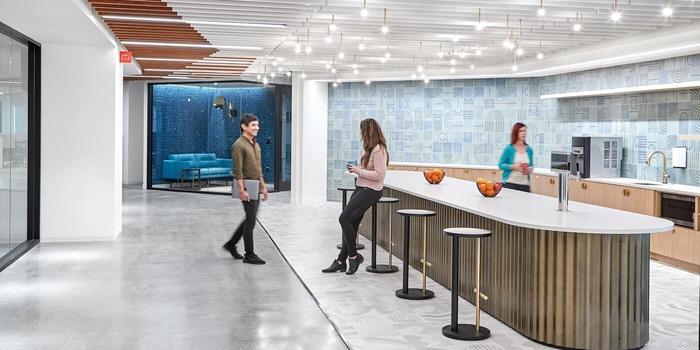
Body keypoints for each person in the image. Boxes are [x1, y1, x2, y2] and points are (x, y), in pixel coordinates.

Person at [323, 118, 389, 275]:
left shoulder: (379, 150)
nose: (360, 134)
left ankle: (354, 256)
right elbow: (368, 170)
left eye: (362, 131)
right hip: (361, 188)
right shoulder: (369, 149)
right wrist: (357, 168)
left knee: (344, 219)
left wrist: (358, 171)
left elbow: (380, 175)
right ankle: (340, 261)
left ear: (368, 132)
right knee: (350, 224)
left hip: (371, 191)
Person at [223, 114, 269, 265]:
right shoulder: (238, 145)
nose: (257, 128)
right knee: (250, 221)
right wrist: (242, 190)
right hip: (246, 186)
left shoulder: (255, 144)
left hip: (255, 185)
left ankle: (231, 244)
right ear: (244, 126)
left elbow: (258, 167)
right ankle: (249, 254)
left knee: (250, 219)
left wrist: (263, 186)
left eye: (257, 125)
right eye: (253, 125)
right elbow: (238, 170)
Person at [498, 122, 534, 192]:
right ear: (515, 133)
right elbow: (501, 165)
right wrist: (513, 166)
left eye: (525, 131)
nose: (524, 133)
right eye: (521, 131)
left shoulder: (529, 150)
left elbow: (531, 166)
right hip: (510, 184)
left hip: (525, 185)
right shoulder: (509, 148)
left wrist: (530, 169)